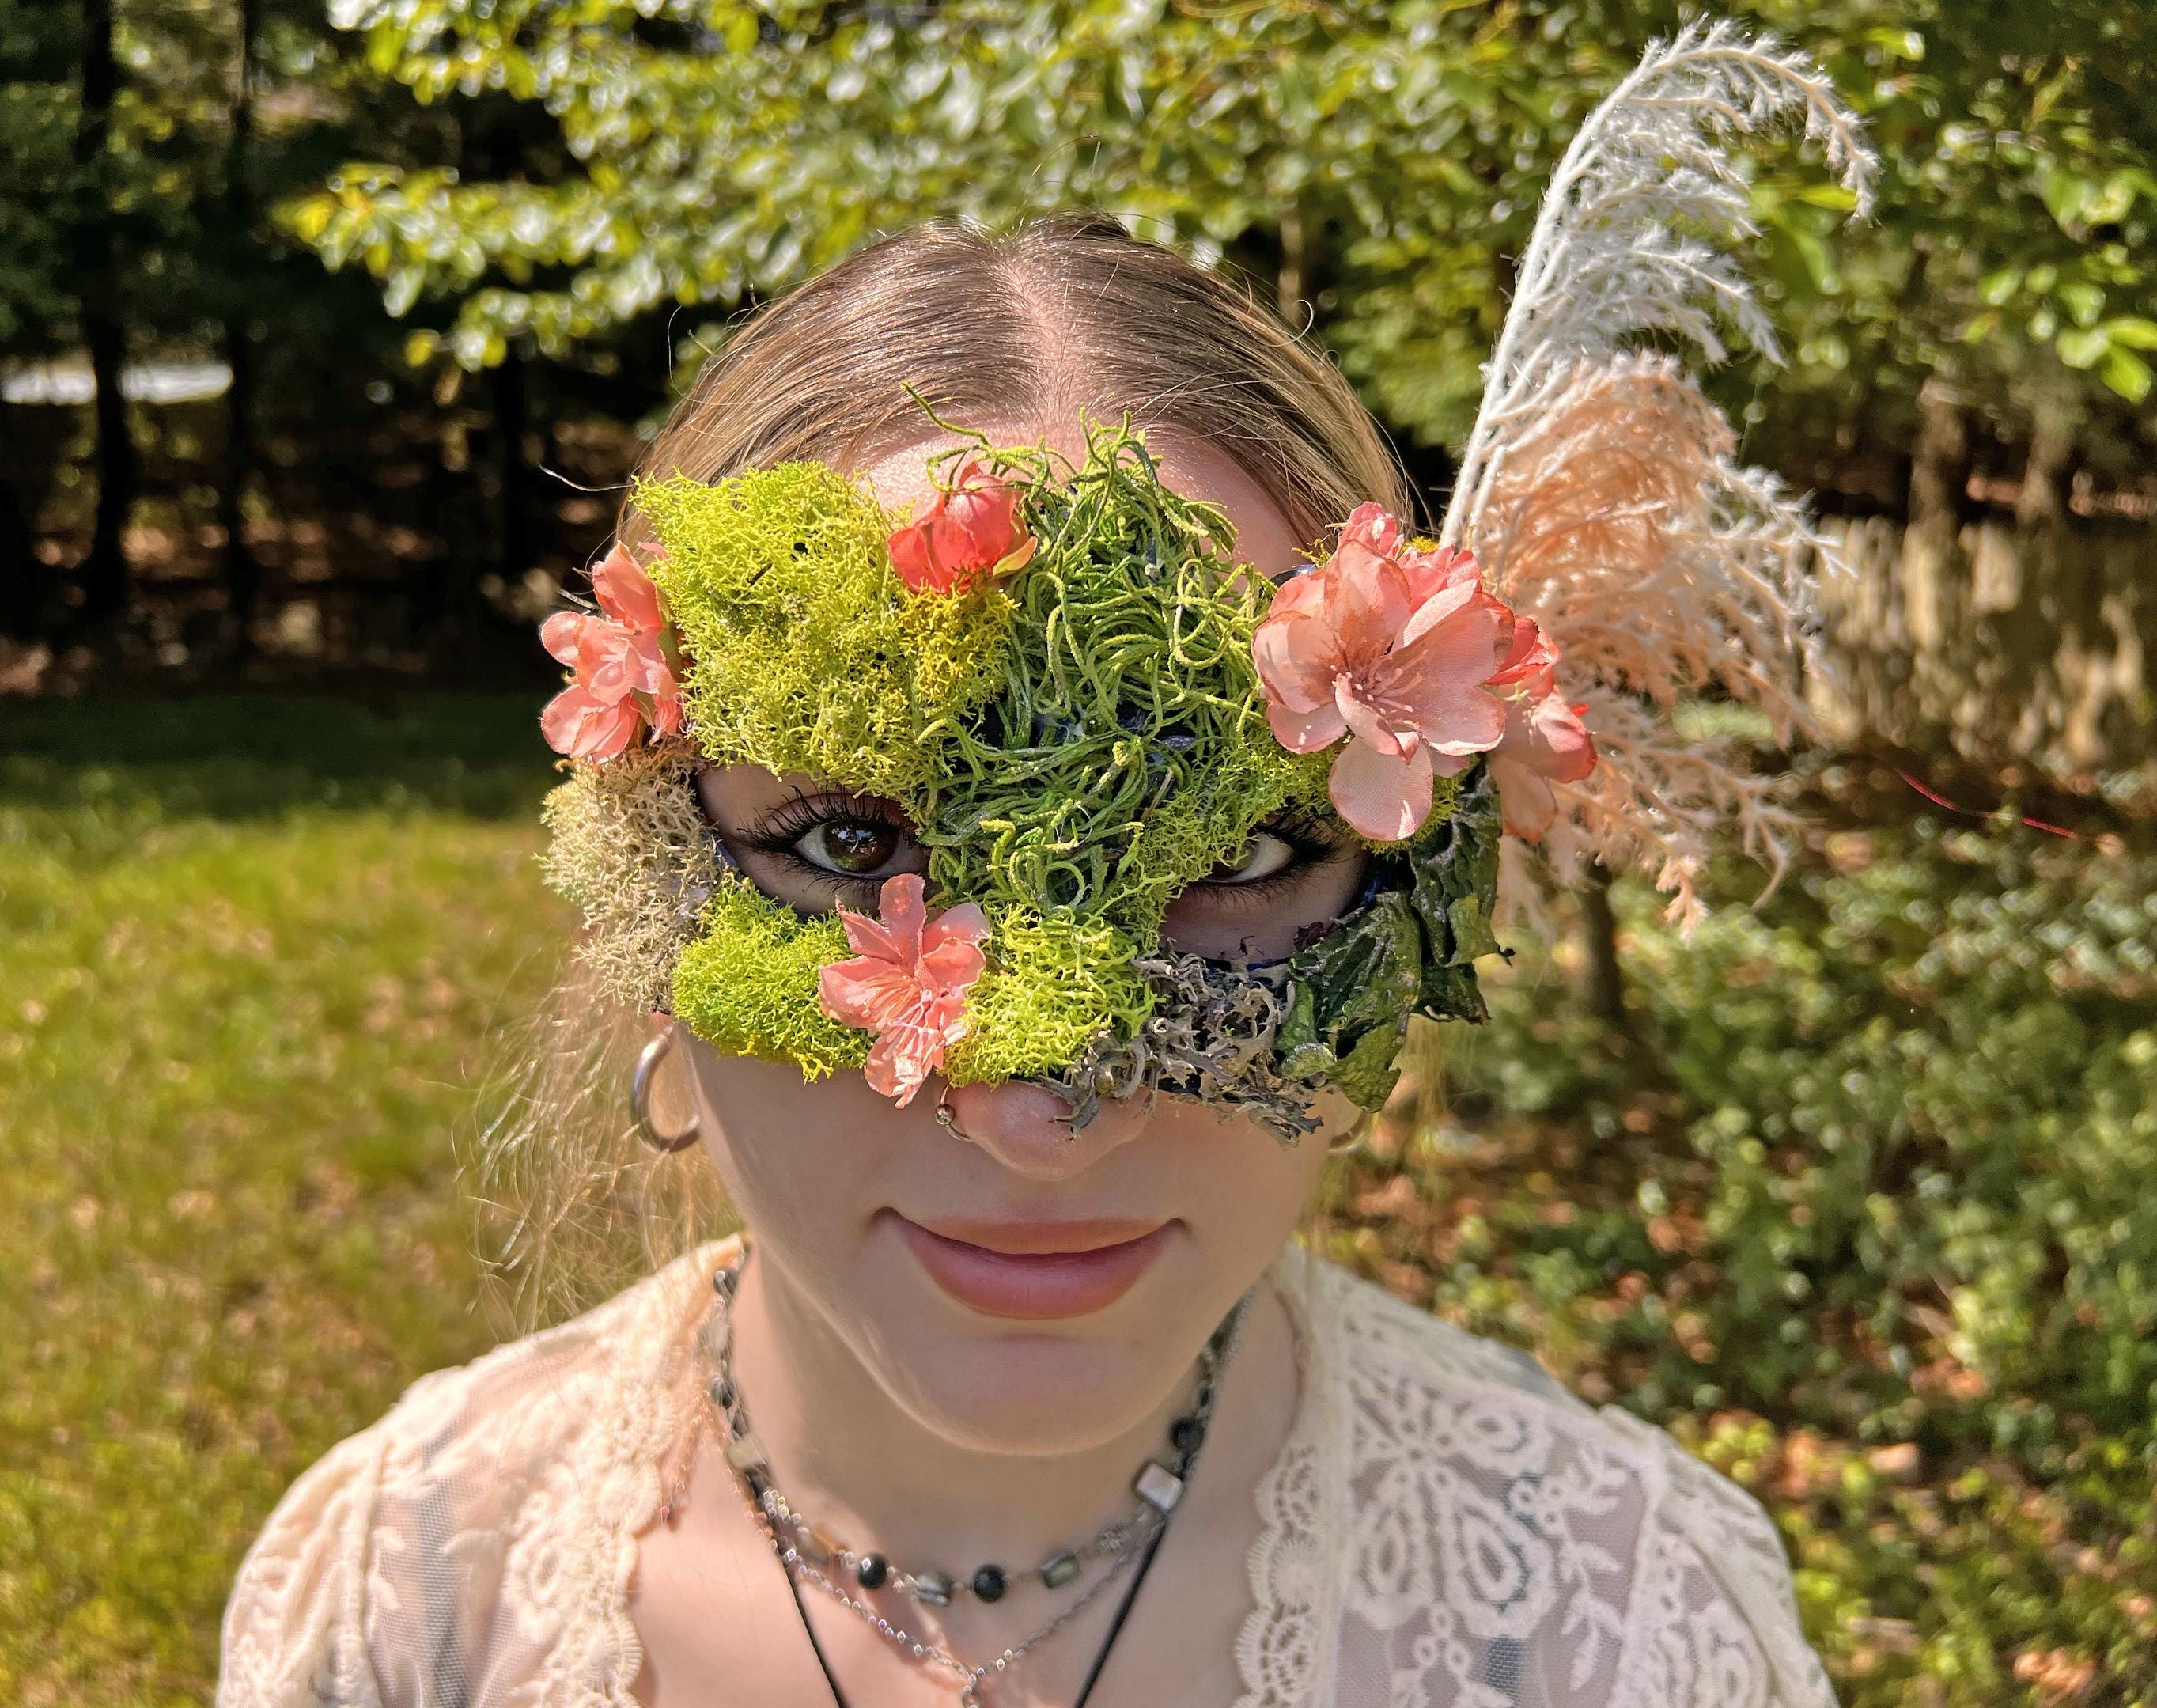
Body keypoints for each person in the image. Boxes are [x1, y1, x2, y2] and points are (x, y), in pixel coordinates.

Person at [218, 31, 1873, 1708]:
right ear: (643, 879)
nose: (1041, 1110)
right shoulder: (406, 1605)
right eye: (851, 841)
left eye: (1237, 851)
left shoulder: (1610, 1636)